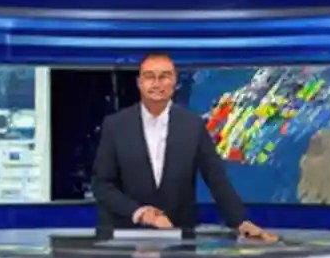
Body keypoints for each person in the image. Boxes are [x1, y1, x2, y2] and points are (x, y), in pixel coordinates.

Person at [91, 52, 275, 240]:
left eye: (164, 76)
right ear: (139, 83)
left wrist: (240, 221)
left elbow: (215, 177)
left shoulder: (193, 126)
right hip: (125, 240)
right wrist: (141, 213)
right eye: (149, 77)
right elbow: (102, 185)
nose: (157, 83)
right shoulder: (115, 125)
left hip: (178, 241)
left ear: (174, 81)